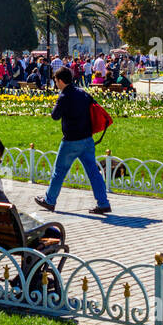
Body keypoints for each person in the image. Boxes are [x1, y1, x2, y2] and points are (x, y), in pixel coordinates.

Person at [34, 66, 112, 215]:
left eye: (56, 81)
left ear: (61, 81)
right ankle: (103, 203)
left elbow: (55, 115)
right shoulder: (82, 93)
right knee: (93, 172)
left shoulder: (65, 96)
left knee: (59, 171)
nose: (55, 83)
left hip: (71, 141)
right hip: (87, 139)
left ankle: (49, 200)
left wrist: (56, 103)